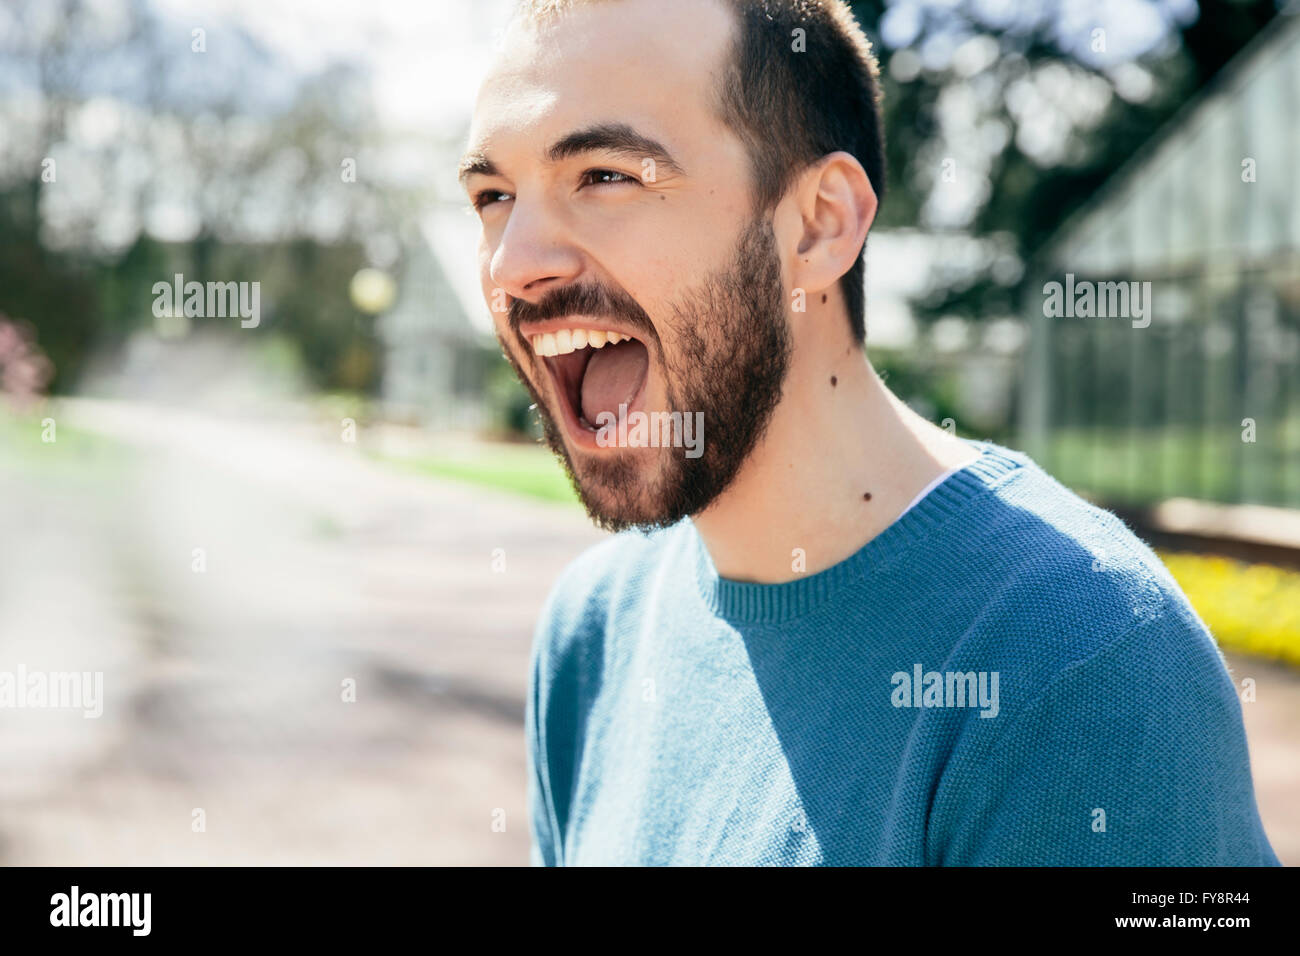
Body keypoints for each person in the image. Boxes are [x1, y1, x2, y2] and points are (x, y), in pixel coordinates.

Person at [457, 0, 1281, 865]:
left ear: (818, 224)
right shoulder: (592, 630)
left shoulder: (1082, 666)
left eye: (605, 175)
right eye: (493, 196)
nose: (514, 263)